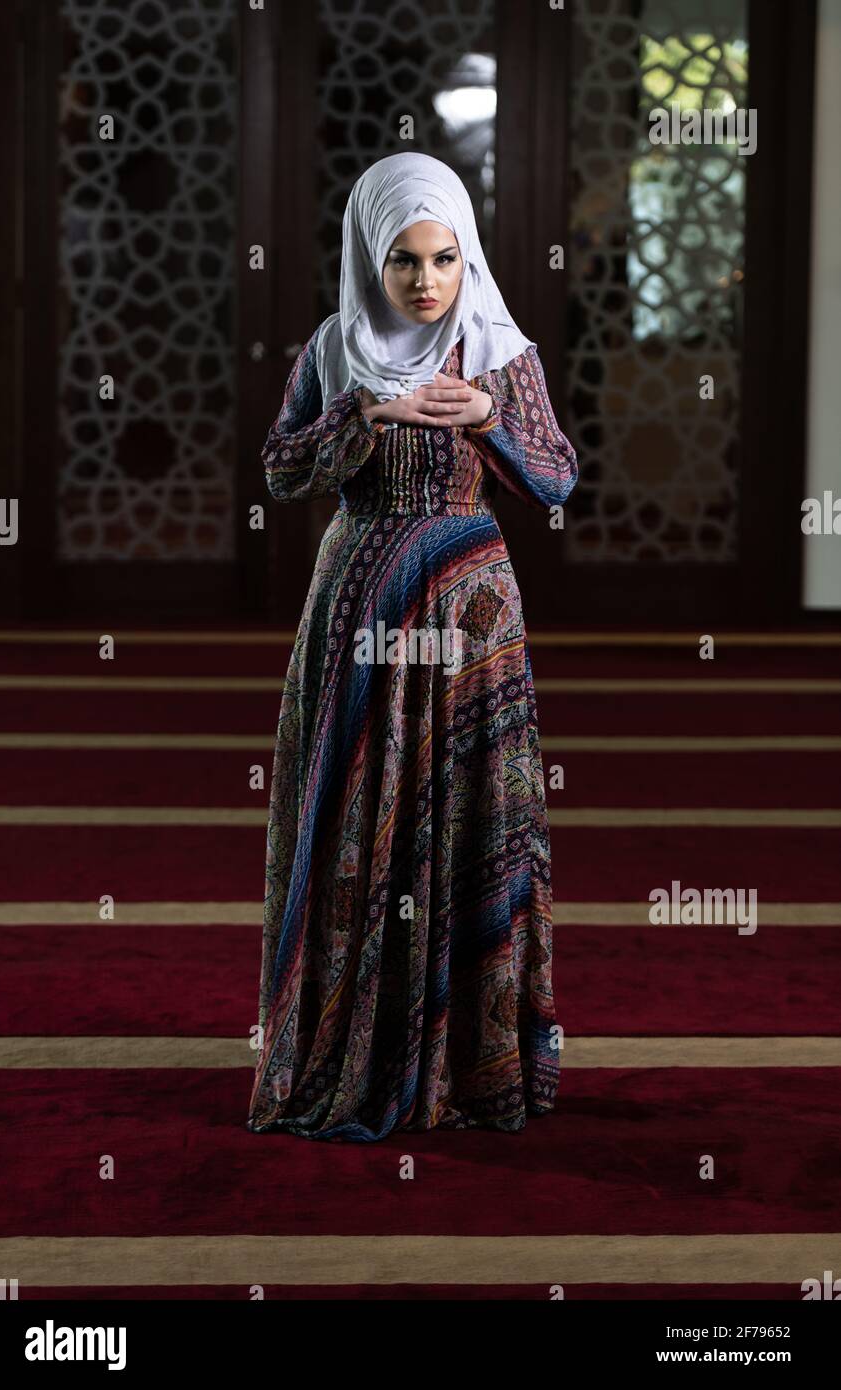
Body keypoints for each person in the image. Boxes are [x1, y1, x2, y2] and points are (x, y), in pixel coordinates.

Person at [247, 151, 577, 1142]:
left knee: (473, 823)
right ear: (368, 259)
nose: (426, 281)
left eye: (442, 258)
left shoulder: (495, 350)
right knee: (362, 822)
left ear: (464, 257)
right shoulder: (333, 351)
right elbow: (279, 471)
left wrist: (487, 416)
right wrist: (365, 412)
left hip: (473, 625)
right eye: (402, 261)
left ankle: (474, 1067)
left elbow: (557, 478)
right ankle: (356, 1048)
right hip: (359, 616)